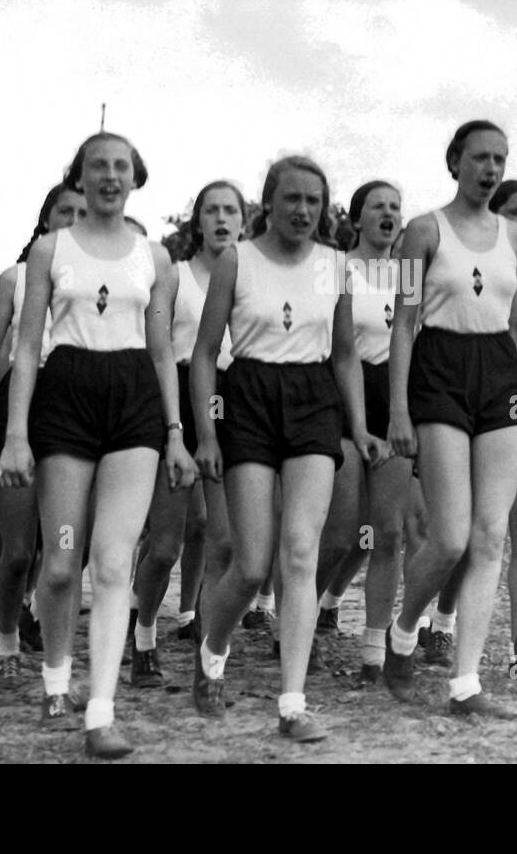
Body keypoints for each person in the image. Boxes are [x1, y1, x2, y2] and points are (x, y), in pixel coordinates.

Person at [0, 132, 195, 759]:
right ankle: (56, 674)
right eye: (96, 167)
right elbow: (28, 347)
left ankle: (101, 710)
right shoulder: (50, 251)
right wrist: (16, 435)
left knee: (112, 563)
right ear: (79, 178)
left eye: (120, 167)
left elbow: (162, 349)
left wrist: (175, 433)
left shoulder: (155, 257)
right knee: (60, 562)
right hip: (68, 399)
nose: (109, 176)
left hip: (134, 401)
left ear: (135, 177)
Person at [191, 155, 377, 742]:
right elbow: (203, 355)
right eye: (291, 198)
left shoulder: (335, 266)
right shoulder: (236, 260)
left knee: (301, 553)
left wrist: (362, 425)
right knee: (250, 563)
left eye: (314, 201)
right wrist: (206, 432)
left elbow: (345, 355)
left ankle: (293, 703)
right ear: (268, 203)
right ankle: (211, 650)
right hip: (248, 395)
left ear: (325, 209)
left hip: (312, 399)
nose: (302, 210)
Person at [382, 120, 517, 718]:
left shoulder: (515, 237)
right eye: (480, 158)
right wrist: (398, 408)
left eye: (500, 159)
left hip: (499, 376)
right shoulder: (421, 232)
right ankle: (403, 637)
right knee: (449, 537)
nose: (491, 169)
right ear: (455, 161)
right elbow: (402, 323)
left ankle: (466, 685)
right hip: (439, 372)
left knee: (490, 535)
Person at [0, 184, 87, 683]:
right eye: (65, 211)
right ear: (45, 217)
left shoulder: (109, 277)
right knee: (15, 551)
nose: (74, 219)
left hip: (80, 407)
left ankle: (44, 624)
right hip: (22, 407)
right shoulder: (16, 278)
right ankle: (7, 641)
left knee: (67, 542)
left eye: (82, 212)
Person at [130, 180, 243, 686]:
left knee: (220, 538)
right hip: (176, 397)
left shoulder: (250, 274)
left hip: (232, 400)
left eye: (231, 211)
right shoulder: (173, 277)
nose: (222, 219)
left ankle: (206, 652)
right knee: (165, 543)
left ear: (244, 221)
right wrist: (173, 427)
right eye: (212, 211)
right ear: (197, 221)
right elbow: (153, 345)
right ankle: (144, 636)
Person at [316, 180, 412, 686]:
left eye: (396, 207)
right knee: (342, 532)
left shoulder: (410, 272)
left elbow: (417, 338)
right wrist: (355, 426)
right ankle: (301, 622)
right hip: (342, 404)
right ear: (356, 218)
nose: (390, 214)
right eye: (378, 206)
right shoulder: (338, 269)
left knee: (387, 534)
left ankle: (373, 653)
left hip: (395, 405)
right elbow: (339, 350)